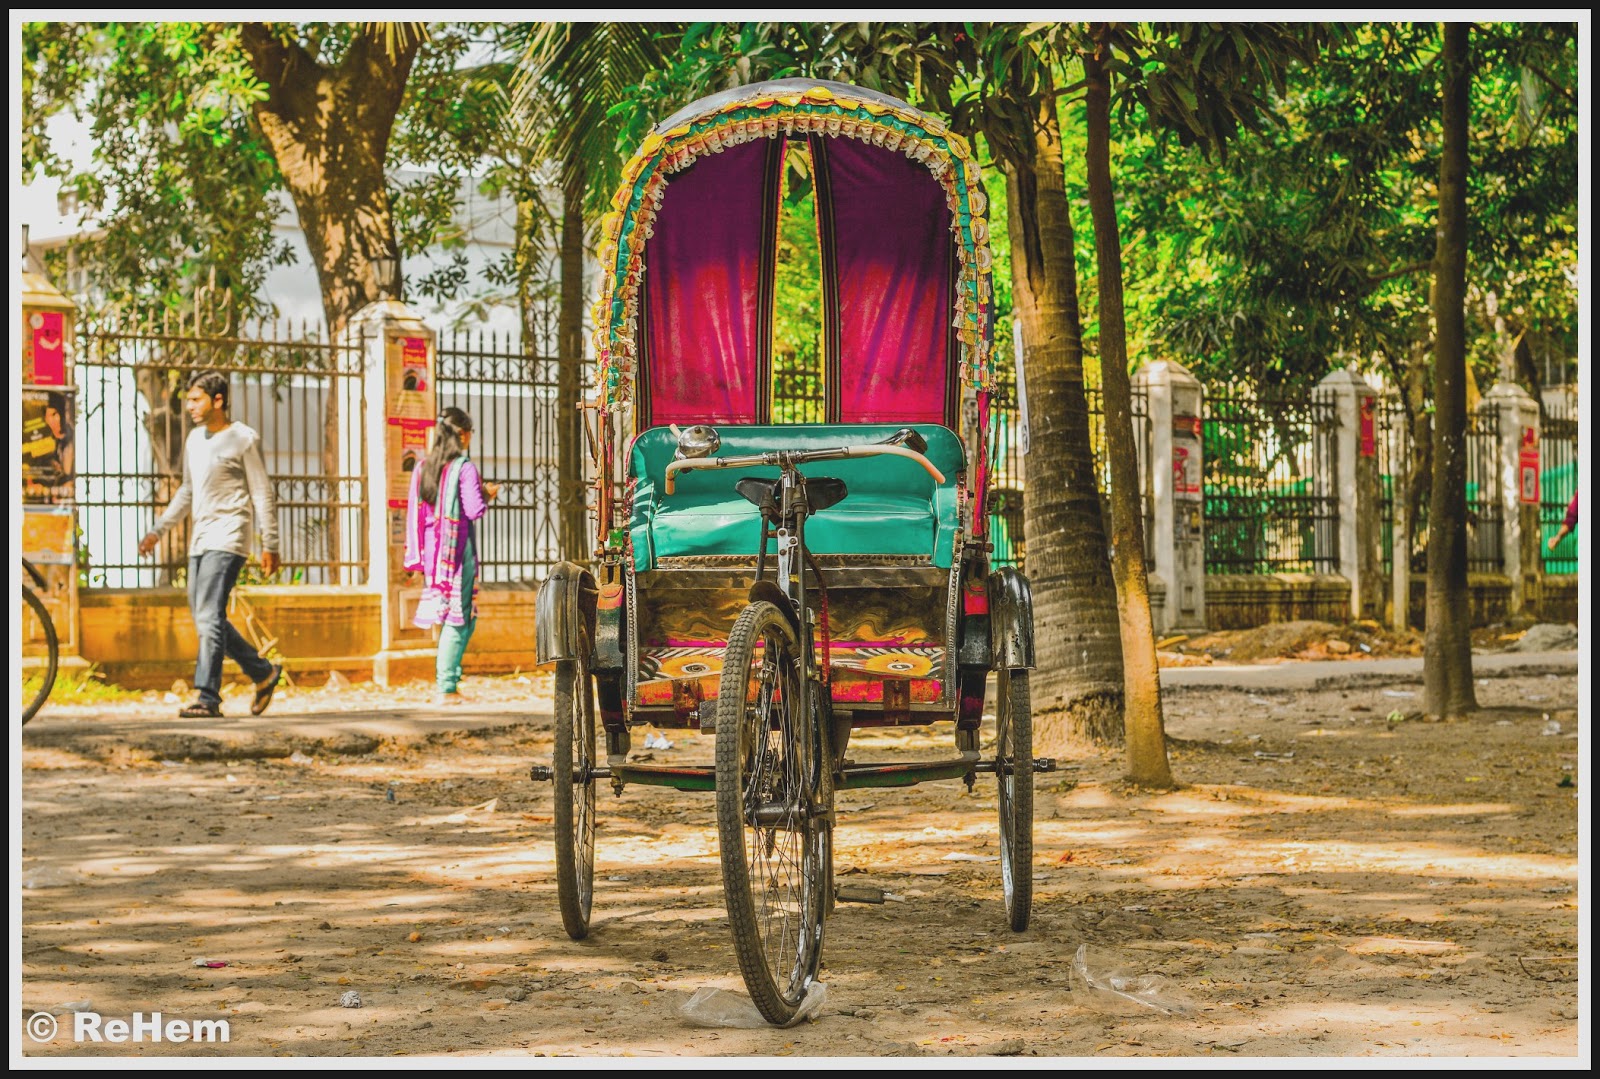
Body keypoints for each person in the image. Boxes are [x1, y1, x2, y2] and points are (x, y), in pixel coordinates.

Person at [137, 372, 283, 719]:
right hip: (200, 539)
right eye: (188, 400)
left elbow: (262, 491)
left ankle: (207, 696)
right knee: (206, 617)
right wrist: (158, 530)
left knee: (208, 615)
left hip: (230, 537)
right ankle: (263, 672)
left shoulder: (243, 438)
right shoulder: (194, 441)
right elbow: (188, 490)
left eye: (196, 399)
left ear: (218, 400)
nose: (189, 407)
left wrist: (271, 542)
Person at [404, 407, 498, 705]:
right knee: (460, 618)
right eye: (470, 432)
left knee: (449, 616)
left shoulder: (423, 468)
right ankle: (447, 686)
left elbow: (417, 513)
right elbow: (474, 509)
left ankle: (450, 681)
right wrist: (487, 494)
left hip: (433, 553)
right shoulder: (463, 467)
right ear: (462, 434)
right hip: (457, 552)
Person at [43, 391, 75, 485]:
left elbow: (69, 474)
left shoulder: (73, 439)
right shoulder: (47, 441)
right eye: (53, 414)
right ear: (45, 418)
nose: (58, 418)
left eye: (62, 412)